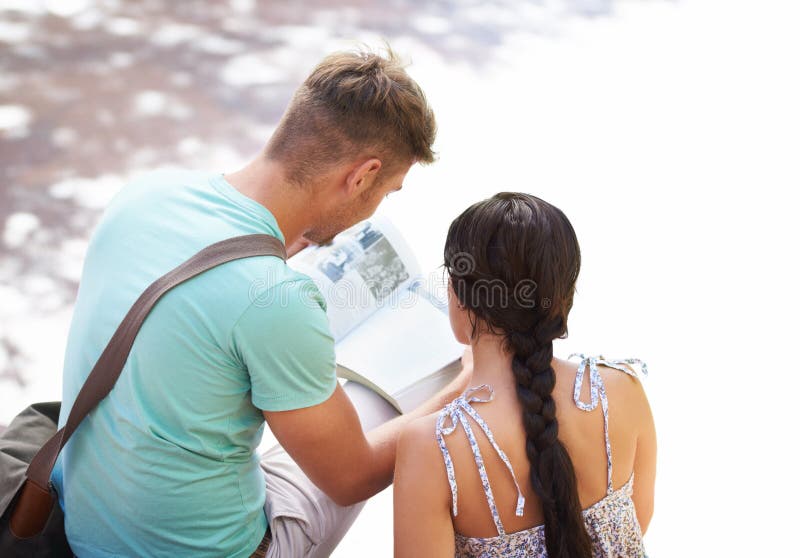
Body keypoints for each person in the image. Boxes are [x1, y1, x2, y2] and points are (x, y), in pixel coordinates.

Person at [52, 47, 472, 557]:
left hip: (85, 526)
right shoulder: (278, 300)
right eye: (386, 191)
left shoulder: (143, 195)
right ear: (361, 176)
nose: (375, 207)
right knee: (392, 396)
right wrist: (468, 384)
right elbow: (350, 477)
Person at [394, 193, 656, 558]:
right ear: (566, 296)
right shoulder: (622, 389)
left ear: (458, 296)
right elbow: (634, 527)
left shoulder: (434, 448)